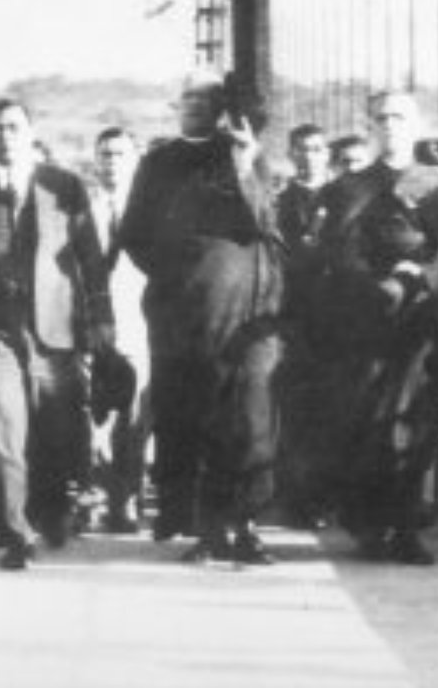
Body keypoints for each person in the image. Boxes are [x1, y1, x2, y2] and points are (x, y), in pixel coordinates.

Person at [0, 99, 114, 571]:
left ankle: (52, 513)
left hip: (54, 326)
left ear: (30, 133)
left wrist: (101, 319)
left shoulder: (64, 187)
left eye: (13, 128)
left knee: (55, 428)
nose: (4, 137)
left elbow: (90, 258)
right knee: (4, 432)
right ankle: (15, 533)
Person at [119, 70, 285, 565]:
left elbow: (263, 223)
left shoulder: (249, 156)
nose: (193, 104)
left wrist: (242, 162)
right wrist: (178, 274)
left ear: (221, 106)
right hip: (183, 316)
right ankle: (208, 529)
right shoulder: (157, 161)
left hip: (251, 314)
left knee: (251, 420)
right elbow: (133, 234)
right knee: (195, 420)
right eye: (186, 96)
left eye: (205, 97)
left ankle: (248, 525)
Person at [315, 91, 438, 565]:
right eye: (381, 117)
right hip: (366, 317)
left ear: (416, 123)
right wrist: (373, 285)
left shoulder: (437, 185)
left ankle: (406, 526)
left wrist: (417, 278)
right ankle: (368, 525)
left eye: (399, 117)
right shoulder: (347, 187)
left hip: (421, 320)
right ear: (370, 124)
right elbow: (337, 250)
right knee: (365, 420)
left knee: (416, 421)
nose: (390, 125)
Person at [273, 123, 337, 528]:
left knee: (334, 409)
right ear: (291, 154)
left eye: (316, 148)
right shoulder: (280, 202)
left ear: (325, 154)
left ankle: (327, 496)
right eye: (301, 149)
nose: (309, 156)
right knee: (296, 408)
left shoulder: (342, 197)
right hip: (295, 315)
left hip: (338, 317)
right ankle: (297, 499)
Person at [86, 126, 148, 535]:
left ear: (135, 159)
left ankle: (126, 497)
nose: (112, 162)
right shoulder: (80, 210)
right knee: (90, 414)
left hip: (139, 322)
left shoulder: (153, 212)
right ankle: (96, 492)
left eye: (120, 154)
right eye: (105, 154)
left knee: (136, 416)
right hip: (91, 326)